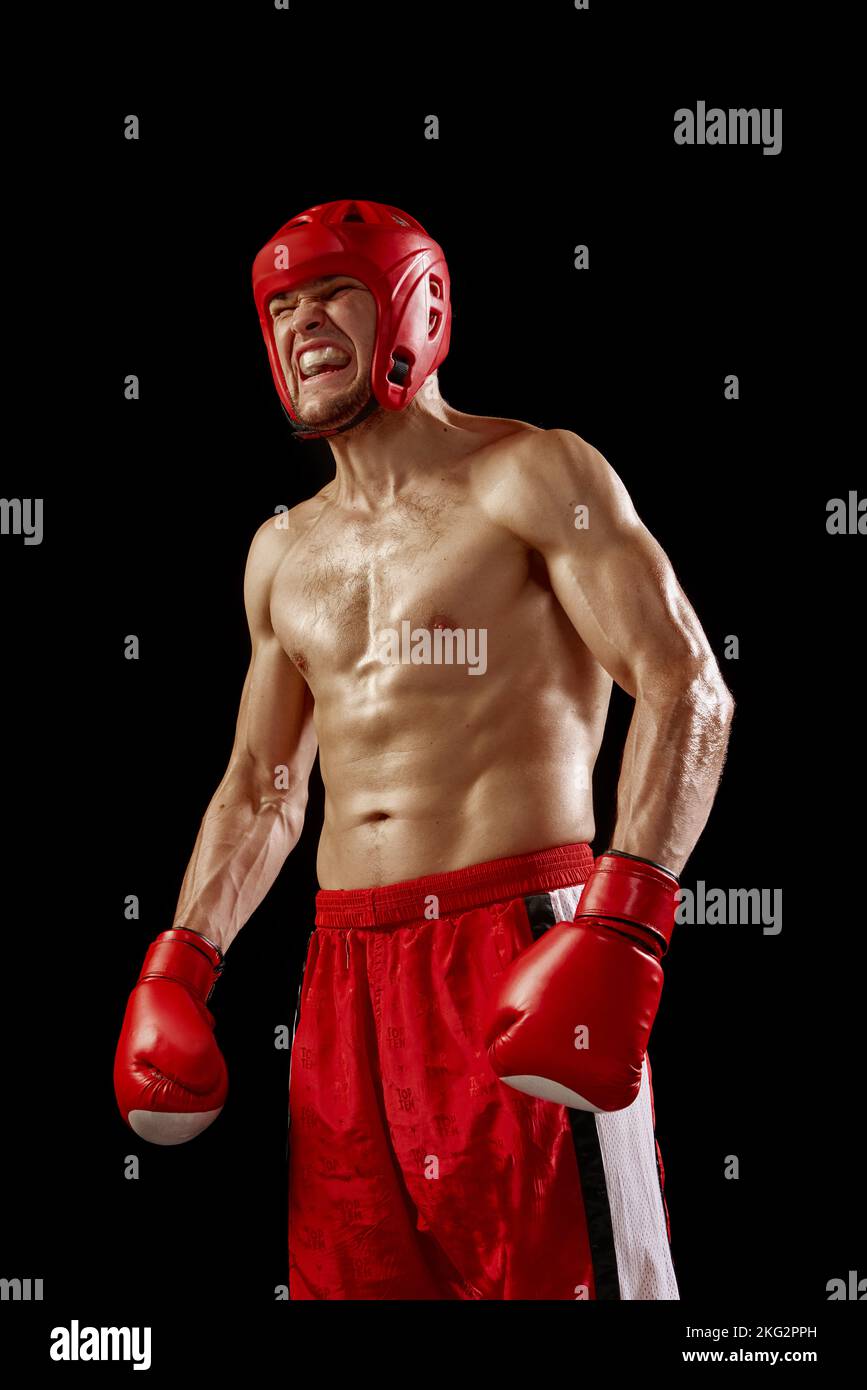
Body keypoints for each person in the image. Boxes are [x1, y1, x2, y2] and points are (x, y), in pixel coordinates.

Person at [114, 199, 734, 1300]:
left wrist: (629, 920)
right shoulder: (281, 551)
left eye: (333, 295)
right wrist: (183, 958)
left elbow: (688, 686)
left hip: (519, 945)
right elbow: (260, 788)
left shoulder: (534, 474)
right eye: (282, 305)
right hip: (346, 976)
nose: (303, 324)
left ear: (417, 309)